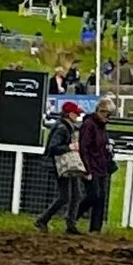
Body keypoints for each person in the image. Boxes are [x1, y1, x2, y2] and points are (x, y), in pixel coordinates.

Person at [35, 98, 90, 233]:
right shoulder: (62, 128)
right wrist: (70, 147)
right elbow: (53, 148)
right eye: (76, 113)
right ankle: (43, 220)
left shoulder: (66, 126)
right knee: (65, 196)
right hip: (61, 166)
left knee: (76, 194)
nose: (77, 116)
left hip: (67, 165)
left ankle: (70, 224)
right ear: (69, 114)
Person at [78, 100, 115, 232]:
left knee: (100, 198)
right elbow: (84, 148)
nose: (109, 118)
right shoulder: (89, 125)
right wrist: (87, 169)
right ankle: (73, 217)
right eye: (108, 114)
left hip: (101, 167)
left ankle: (95, 228)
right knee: (93, 195)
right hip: (91, 167)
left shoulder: (101, 126)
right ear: (101, 111)